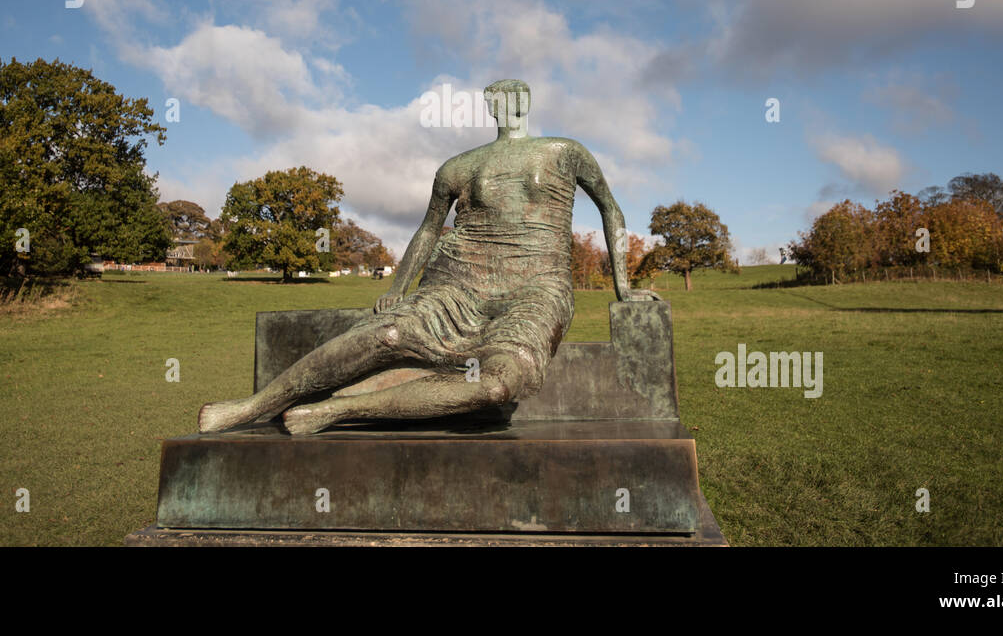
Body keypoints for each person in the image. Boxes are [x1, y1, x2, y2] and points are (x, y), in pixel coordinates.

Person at [198, 78, 658, 434]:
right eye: (500, 97)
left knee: (497, 383)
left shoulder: (565, 152)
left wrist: (625, 288)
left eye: (518, 95)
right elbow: (428, 230)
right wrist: (397, 288)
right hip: (460, 286)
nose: (510, 103)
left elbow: (611, 209)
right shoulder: (458, 166)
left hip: (536, 289)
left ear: (528, 102)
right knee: (387, 333)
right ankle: (253, 406)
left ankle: (339, 410)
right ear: (490, 107)